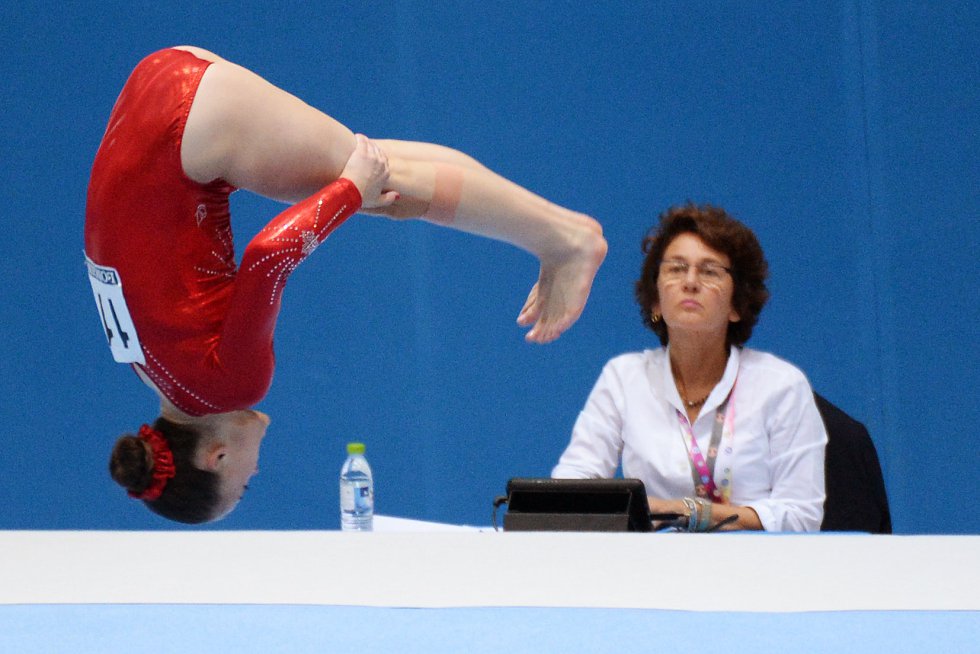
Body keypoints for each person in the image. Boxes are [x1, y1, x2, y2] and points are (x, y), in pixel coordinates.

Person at [86, 46, 606, 523]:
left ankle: (567, 239)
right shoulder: (144, 369)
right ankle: (558, 236)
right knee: (390, 168)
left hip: (191, 126)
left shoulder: (227, 388)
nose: (256, 475)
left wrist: (349, 193)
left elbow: (268, 258)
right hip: (152, 91)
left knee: (384, 186)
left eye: (243, 486)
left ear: (215, 457)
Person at [552, 204, 826, 532]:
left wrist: (684, 512)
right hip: (647, 570)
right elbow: (569, 488)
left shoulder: (780, 386)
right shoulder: (624, 377)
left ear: (737, 305)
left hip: (755, 569)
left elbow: (801, 516)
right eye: (677, 268)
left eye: (710, 271)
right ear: (656, 301)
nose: (691, 282)